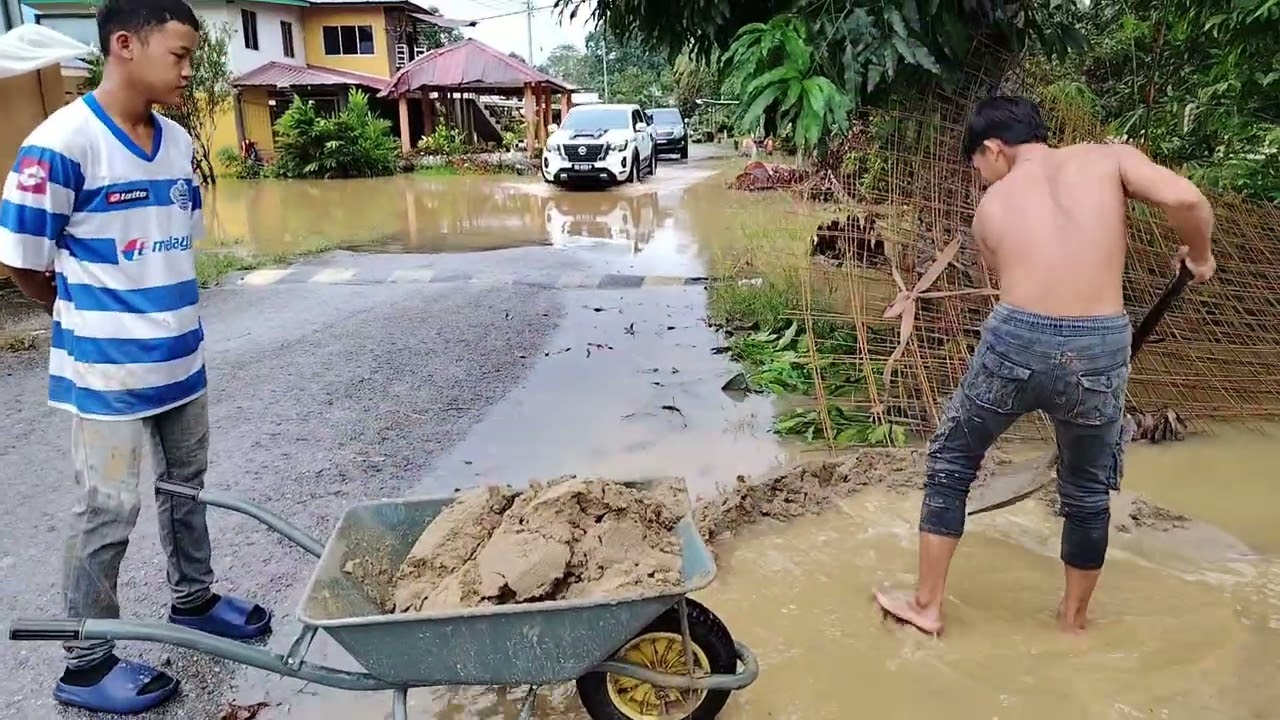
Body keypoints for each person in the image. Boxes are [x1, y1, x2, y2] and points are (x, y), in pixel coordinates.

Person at [0, 0, 272, 712]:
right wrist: (79, 312)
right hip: (107, 377)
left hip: (183, 361)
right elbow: (25, 260)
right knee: (107, 511)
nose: (189, 69)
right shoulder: (60, 144)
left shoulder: (178, 142)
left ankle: (194, 600)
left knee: (188, 490)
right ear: (126, 44)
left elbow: (171, 240)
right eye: (179, 55)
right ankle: (86, 663)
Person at [873, 95, 1216, 635]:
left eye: (978, 168)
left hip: (1017, 338)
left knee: (951, 463)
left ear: (994, 149)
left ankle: (927, 605)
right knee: (1085, 491)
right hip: (1101, 347)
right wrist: (1198, 255)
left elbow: (1010, 282)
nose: (981, 180)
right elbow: (1188, 201)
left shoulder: (992, 208)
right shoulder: (1111, 158)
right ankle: (1073, 622)